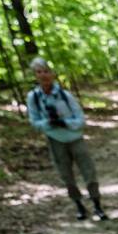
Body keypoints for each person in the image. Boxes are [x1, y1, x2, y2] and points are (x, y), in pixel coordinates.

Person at [26, 58, 108, 221]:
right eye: (39, 72)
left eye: (46, 71)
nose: (43, 75)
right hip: (55, 140)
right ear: (35, 75)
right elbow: (34, 121)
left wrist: (65, 122)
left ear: (53, 74)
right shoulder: (33, 97)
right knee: (66, 175)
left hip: (75, 138)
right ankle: (79, 206)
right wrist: (49, 123)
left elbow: (80, 119)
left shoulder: (65, 95)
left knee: (89, 172)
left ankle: (97, 206)